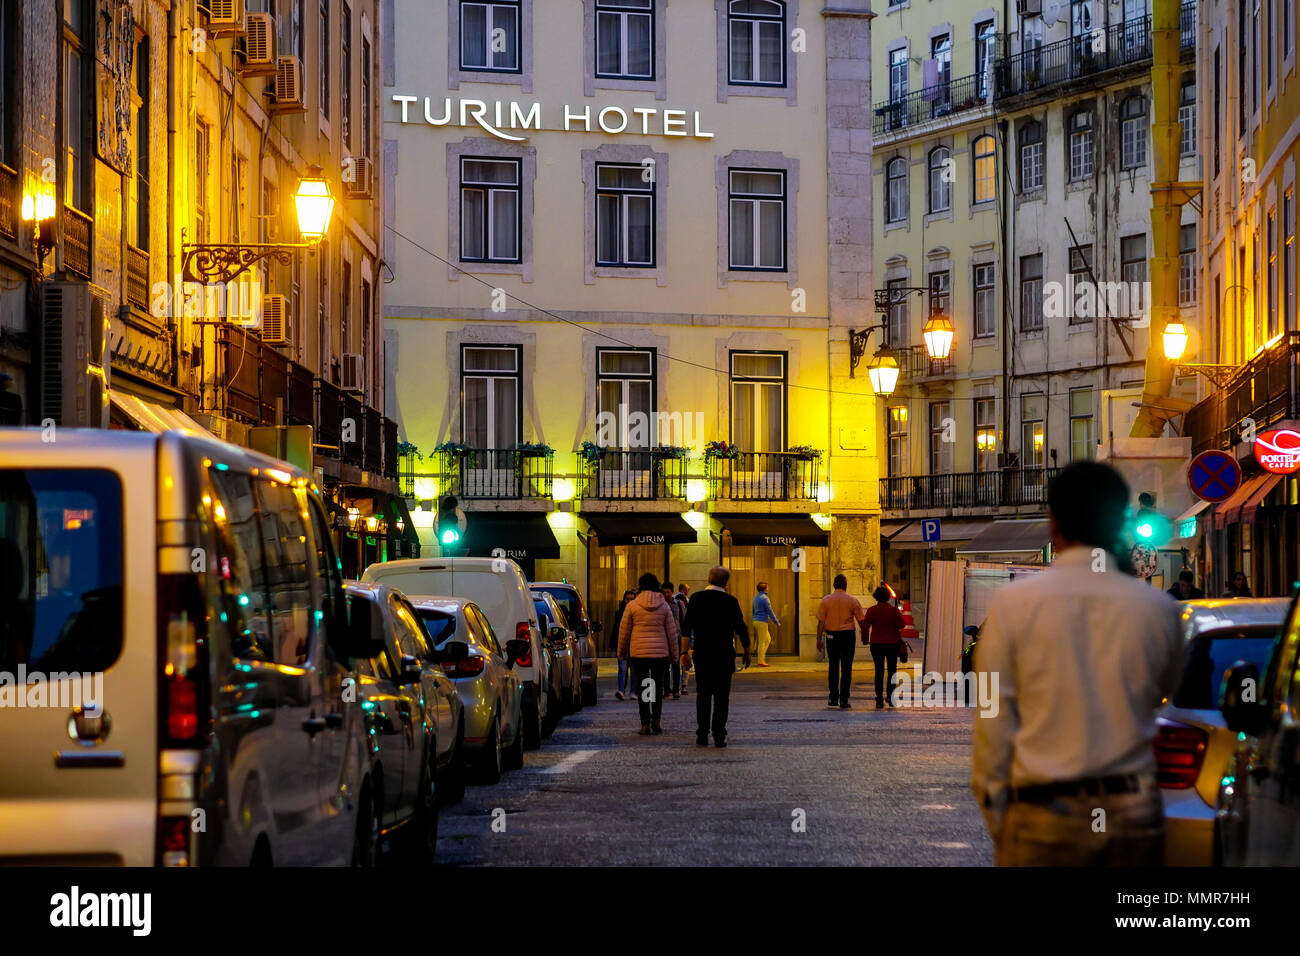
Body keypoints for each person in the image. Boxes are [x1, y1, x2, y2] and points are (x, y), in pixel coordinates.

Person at [971, 461, 1184, 866]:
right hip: (1130, 813)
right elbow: (1164, 692)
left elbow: (993, 718)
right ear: (1122, 522)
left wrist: (1001, 813)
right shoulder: (1158, 609)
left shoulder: (1012, 606)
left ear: (1054, 522)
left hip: (1043, 812)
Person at [681, 565, 750, 747]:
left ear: (709, 579)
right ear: (726, 582)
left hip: (703, 653)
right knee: (722, 697)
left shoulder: (696, 599)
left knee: (703, 694)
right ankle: (719, 734)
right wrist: (748, 651)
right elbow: (741, 628)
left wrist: (683, 652)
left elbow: (686, 628)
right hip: (724, 654)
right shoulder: (731, 601)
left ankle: (702, 733)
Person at [617, 573, 679, 735]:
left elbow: (624, 632)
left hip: (639, 652)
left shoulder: (632, 605)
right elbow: (672, 632)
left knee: (644, 686)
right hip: (660, 653)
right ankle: (656, 721)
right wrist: (674, 654)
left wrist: (621, 652)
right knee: (657, 687)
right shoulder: (664, 605)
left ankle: (645, 723)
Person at [816, 574, 865, 709]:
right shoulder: (852, 601)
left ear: (834, 585)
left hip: (831, 636)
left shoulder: (825, 601)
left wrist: (818, 639)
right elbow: (861, 620)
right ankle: (844, 699)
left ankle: (833, 697)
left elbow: (821, 621)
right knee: (847, 667)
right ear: (845, 585)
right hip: (848, 636)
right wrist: (864, 635)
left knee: (833, 666)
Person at [862, 585, 906, 709]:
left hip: (876, 644)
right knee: (892, 670)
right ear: (887, 597)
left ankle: (879, 698)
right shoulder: (893, 610)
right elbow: (902, 625)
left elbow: (865, 626)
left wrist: (865, 640)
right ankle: (891, 695)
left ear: (876, 597)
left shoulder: (871, 610)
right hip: (891, 644)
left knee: (879, 671)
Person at [612, 589, 636, 701]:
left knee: (634, 669)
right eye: (628, 599)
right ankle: (621, 690)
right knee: (622, 669)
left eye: (632, 599)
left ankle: (632, 692)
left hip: (635, 644)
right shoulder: (619, 613)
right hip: (623, 644)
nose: (629, 601)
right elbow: (616, 630)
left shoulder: (637, 613)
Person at [662, 582, 684, 699]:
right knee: (665, 665)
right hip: (664, 638)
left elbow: (684, 621)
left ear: (672, 592)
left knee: (676, 664)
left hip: (676, 637)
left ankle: (676, 689)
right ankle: (667, 690)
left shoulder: (679, 604)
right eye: (664, 592)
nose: (666, 594)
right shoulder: (660, 605)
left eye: (668, 592)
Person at [750, 582, 780, 668]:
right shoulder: (765, 598)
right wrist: (776, 622)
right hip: (762, 621)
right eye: (767, 587)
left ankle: (762, 658)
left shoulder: (755, 598)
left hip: (756, 621)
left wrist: (754, 619)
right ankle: (760, 661)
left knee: (767, 639)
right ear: (765, 588)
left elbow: (753, 610)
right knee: (762, 642)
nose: (768, 588)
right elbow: (770, 611)